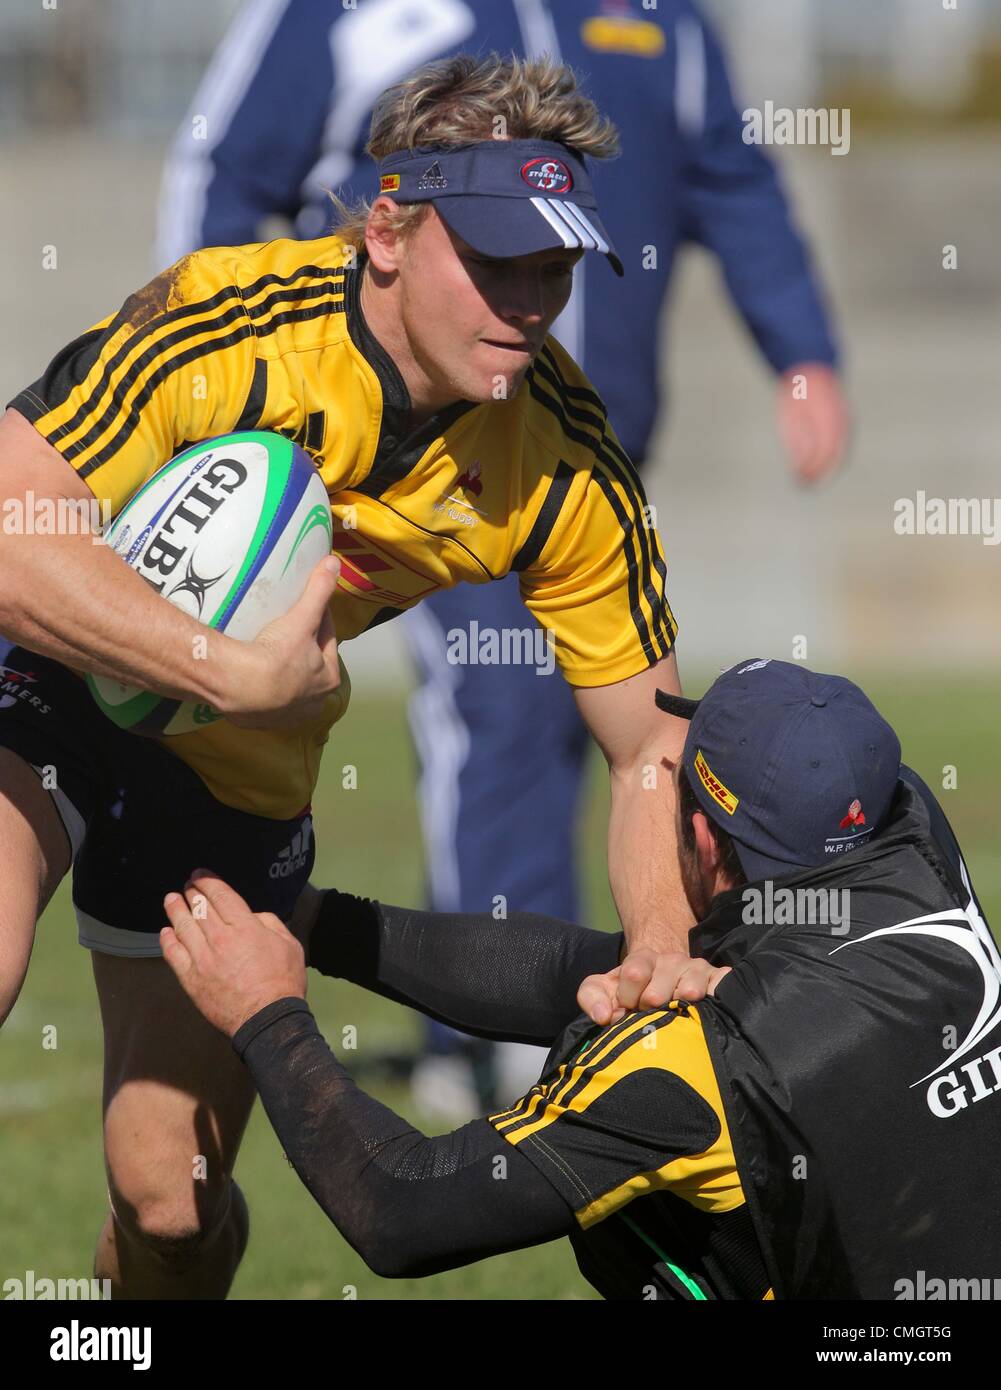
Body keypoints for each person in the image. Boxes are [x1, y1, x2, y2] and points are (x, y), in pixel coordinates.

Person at [0, 54, 714, 1299]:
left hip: (232, 779)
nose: (529, 302)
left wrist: (657, 948)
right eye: (494, 260)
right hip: (47, 667)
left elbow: (650, 742)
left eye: (552, 268)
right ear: (386, 227)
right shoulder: (228, 319)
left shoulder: (565, 456)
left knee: (171, 1202)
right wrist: (222, 665)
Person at [156, 0, 848, 1110]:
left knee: (619, 727)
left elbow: (737, 181)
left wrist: (801, 351)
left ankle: (600, 999)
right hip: (375, 458)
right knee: (495, 707)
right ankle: (493, 1034)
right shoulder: (346, 13)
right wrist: (217, 389)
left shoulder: (662, 23)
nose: (527, 293)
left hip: (575, 460)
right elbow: (228, 167)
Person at [161, 658, 1001, 1300]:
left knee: (602, 1075)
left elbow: (402, 1211)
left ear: (705, 843)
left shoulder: (704, 1063)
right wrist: (312, 923)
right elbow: (584, 970)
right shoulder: (916, 845)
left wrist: (267, 1013)